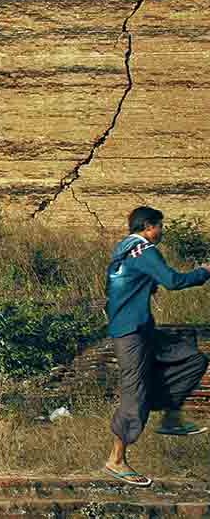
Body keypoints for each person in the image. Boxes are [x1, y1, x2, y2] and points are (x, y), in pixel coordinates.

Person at [103, 206, 210, 487]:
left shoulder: (122, 250)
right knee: (134, 392)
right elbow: (173, 281)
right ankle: (116, 459)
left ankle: (171, 416)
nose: (161, 231)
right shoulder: (144, 250)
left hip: (140, 329)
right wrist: (203, 272)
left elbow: (121, 286)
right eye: (160, 226)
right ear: (149, 226)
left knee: (191, 357)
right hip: (131, 334)